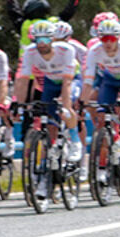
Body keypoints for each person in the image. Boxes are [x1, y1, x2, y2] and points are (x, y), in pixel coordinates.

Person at [12, 20, 83, 179]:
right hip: (51, 81)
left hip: (72, 79)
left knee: (65, 110)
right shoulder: (30, 52)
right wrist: (18, 103)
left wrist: (66, 106)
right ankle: (52, 152)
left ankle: (75, 140)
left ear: (53, 39)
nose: (41, 44)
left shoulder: (66, 50)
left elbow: (67, 82)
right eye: (37, 40)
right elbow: (22, 80)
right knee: (49, 118)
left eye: (45, 40)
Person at [83, 19, 120, 174]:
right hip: (109, 80)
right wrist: (83, 102)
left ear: (119, 37)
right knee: (102, 117)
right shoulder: (95, 50)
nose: (107, 43)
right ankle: (104, 160)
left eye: (111, 39)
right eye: (104, 38)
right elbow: (88, 80)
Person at [5, 0, 85, 59]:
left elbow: (13, 9)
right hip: (51, 65)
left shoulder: (24, 25)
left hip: (27, 66)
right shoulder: (54, 23)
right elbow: (69, 11)